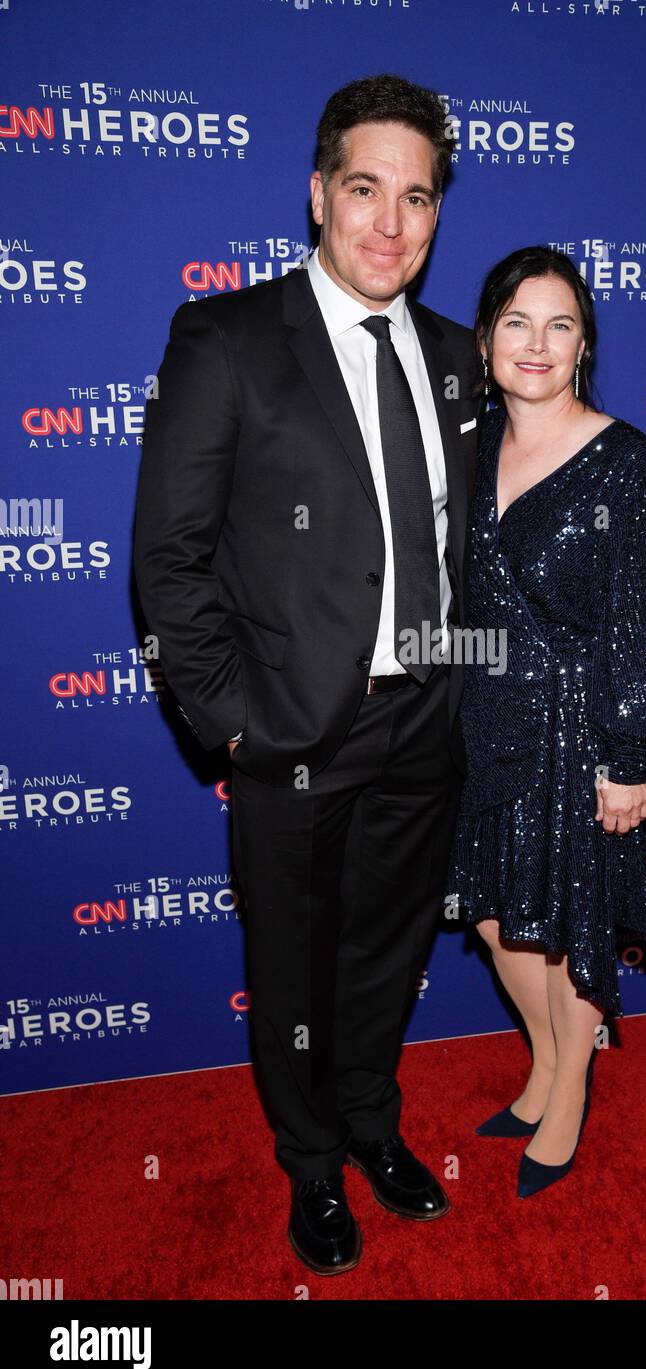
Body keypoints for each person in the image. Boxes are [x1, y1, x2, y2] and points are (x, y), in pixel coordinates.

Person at [133, 74, 480, 1276]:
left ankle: (374, 1125)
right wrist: (230, 721)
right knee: (292, 967)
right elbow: (167, 561)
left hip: (424, 727)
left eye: (417, 197)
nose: (390, 224)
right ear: (318, 194)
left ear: (438, 214)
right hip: (288, 738)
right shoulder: (226, 339)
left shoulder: (454, 357)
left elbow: (463, 547)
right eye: (365, 189)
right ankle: (313, 1167)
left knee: (388, 953)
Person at [446, 246, 646, 1198]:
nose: (536, 343)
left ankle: (569, 1089)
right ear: (485, 339)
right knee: (502, 921)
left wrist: (628, 755)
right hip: (486, 720)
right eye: (516, 322)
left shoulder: (628, 463)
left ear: (584, 343)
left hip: (580, 732)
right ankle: (548, 1062)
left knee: (569, 922)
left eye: (558, 325)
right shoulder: (470, 449)